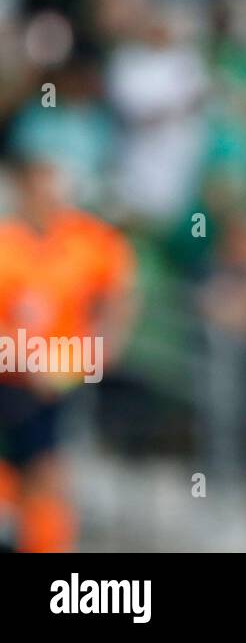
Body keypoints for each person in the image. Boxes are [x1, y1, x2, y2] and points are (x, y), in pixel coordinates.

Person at [0, 157, 136, 552]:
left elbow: (120, 293)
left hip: (60, 380)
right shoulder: (7, 243)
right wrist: (27, 362)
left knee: (49, 472)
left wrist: (103, 346)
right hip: (11, 377)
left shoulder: (86, 240)